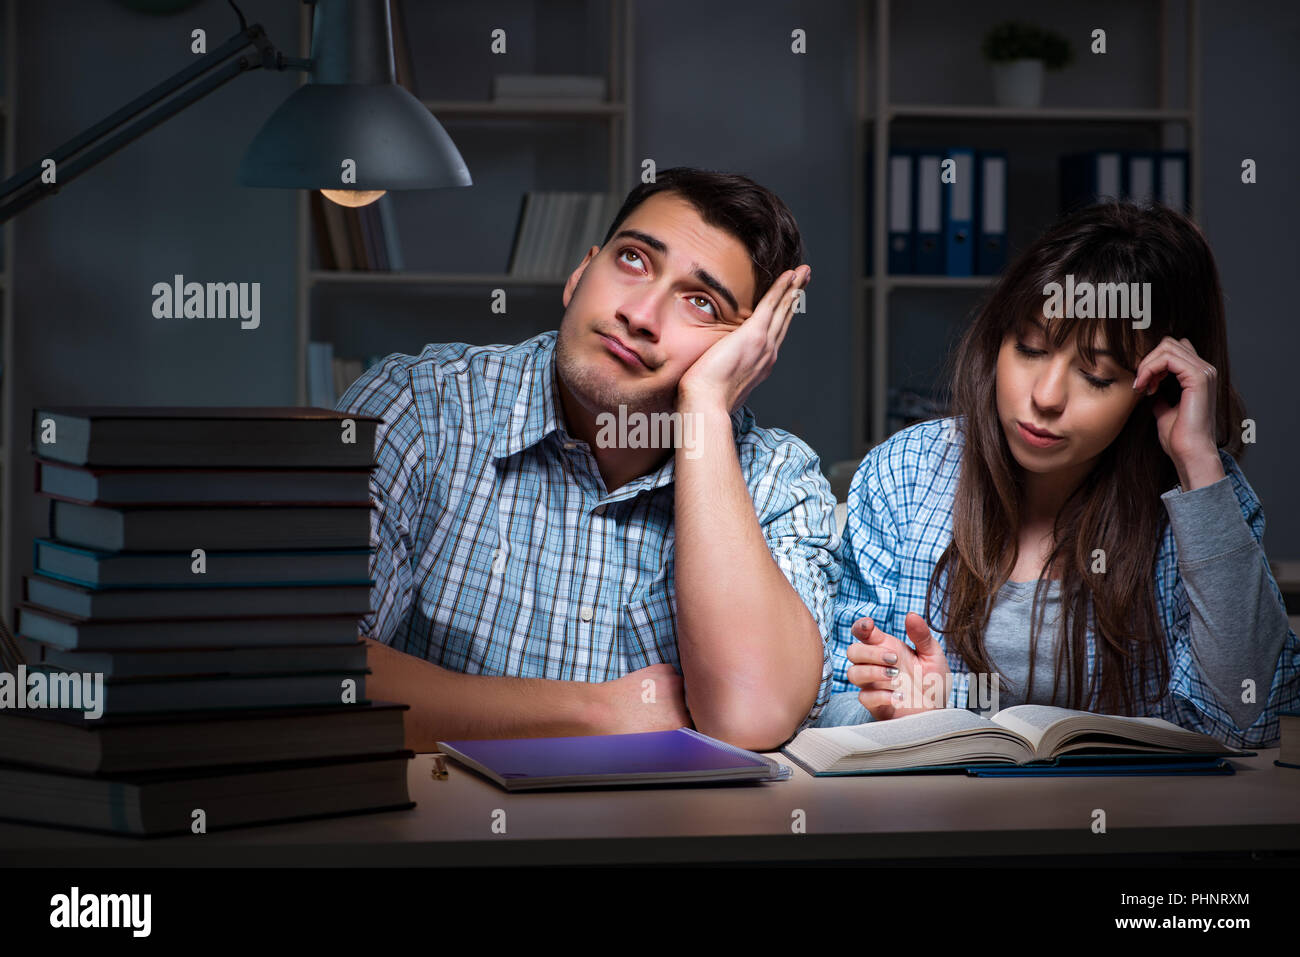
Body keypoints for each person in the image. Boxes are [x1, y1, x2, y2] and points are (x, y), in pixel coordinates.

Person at [337, 168, 841, 752]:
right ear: (582, 271)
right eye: (633, 261)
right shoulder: (420, 405)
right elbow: (314, 673)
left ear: (748, 350)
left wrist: (704, 407)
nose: (642, 315)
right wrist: (594, 714)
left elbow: (751, 713)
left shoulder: (778, 477)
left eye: (700, 303)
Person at [822, 201, 1298, 748]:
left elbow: (1245, 720)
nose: (1045, 398)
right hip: (943, 820)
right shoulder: (906, 472)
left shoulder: (1204, 494)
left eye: (1097, 376)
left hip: (1143, 828)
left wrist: (1197, 461)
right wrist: (903, 716)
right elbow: (827, 707)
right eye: (1028, 348)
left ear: (1156, 389)